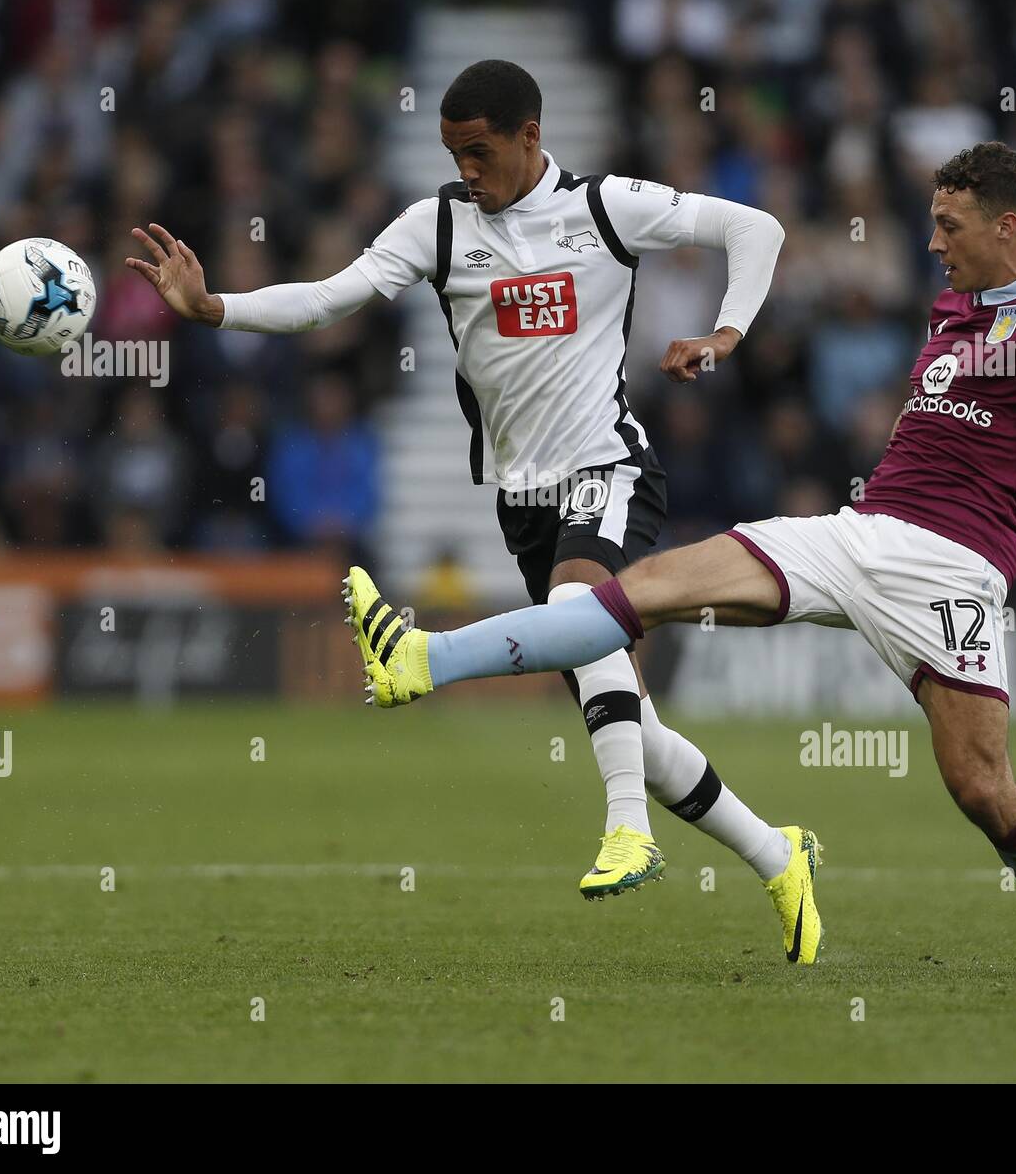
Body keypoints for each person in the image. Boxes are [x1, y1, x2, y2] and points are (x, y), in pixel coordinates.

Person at [347, 142, 1016, 977]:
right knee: (638, 591)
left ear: (1007, 225)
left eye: (950, 226)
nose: (934, 244)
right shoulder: (952, 307)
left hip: (952, 571)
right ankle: (420, 657)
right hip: (855, 535)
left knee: (981, 786)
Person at [126, 59, 804, 918]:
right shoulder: (436, 225)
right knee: (631, 718)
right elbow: (331, 299)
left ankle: (627, 828)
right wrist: (216, 307)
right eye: (454, 155)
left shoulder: (604, 208)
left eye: (479, 153)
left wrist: (726, 333)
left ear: (531, 136)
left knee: (581, 611)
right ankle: (781, 854)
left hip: (611, 466)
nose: (466, 173)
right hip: (523, 502)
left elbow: (760, 230)